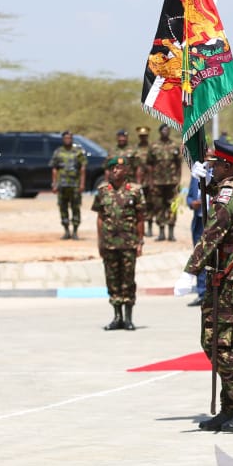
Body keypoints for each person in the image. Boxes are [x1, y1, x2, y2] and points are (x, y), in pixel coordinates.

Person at [174, 140, 233, 433]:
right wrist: (207, 182)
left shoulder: (230, 193)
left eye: (215, 165)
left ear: (228, 166)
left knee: (217, 342)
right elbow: (224, 198)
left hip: (231, 273)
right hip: (228, 272)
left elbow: (213, 232)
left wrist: (191, 270)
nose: (211, 168)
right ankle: (231, 408)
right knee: (226, 343)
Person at [91, 156, 146, 331]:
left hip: (129, 243)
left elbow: (140, 218)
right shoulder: (102, 191)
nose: (115, 171)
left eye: (119, 168)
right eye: (113, 168)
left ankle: (128, 318)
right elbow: (100, 218)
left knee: (128, 280)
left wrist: (140, 241)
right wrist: (100, 241)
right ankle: (117, 317)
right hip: (109, 244)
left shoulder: (135, 191)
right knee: (112, 280)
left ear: (126, 171)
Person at [146, 123, 183, 242]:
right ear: (160, 131)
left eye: (167, 130)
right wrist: (150, 182)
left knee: (172, 206)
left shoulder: (174, 146)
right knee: (158, 206)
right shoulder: (154, 146)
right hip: (157, 182)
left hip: (172, 182)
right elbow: (150, 165)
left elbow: (178, 165)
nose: (165, 132)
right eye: (163, 130)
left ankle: (171, 232)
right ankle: (161, 232)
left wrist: (178, 181)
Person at [50, 131, 87, 239]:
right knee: (63, 207)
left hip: (74, 185)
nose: (68, 139)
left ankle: (75, 231)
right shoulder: (58, 152)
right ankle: (66, 231)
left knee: (76, 207)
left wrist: (82, 184)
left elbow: (83, 168)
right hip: (62, 185)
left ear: (72, 139)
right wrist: (54, 184)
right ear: (63, 139)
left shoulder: (78, 152)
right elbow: (54, 169)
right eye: (66, 138)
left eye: (69, 138)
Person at [185, 174, 208, 306]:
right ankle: (202, 293)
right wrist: (192, 203)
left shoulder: (218, 172)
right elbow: (189, 197)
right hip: (199, 221)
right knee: (199, 257)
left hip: (213, 221)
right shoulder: (196, 175)